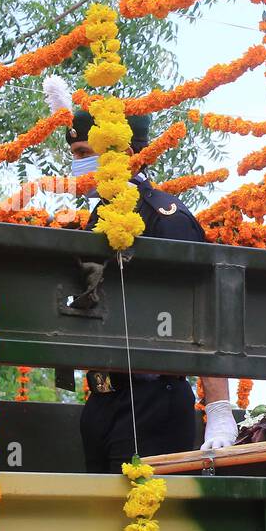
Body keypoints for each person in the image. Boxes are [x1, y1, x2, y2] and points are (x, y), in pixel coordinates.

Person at [44, 77, 239, 472]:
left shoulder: (166, 216)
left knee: (142, 528)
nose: (75, 164)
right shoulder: (99, 215)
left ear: (125, 154)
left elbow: (205, 309)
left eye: (84, 152)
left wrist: (219, 407)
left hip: (152, 401)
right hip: (101, 400)